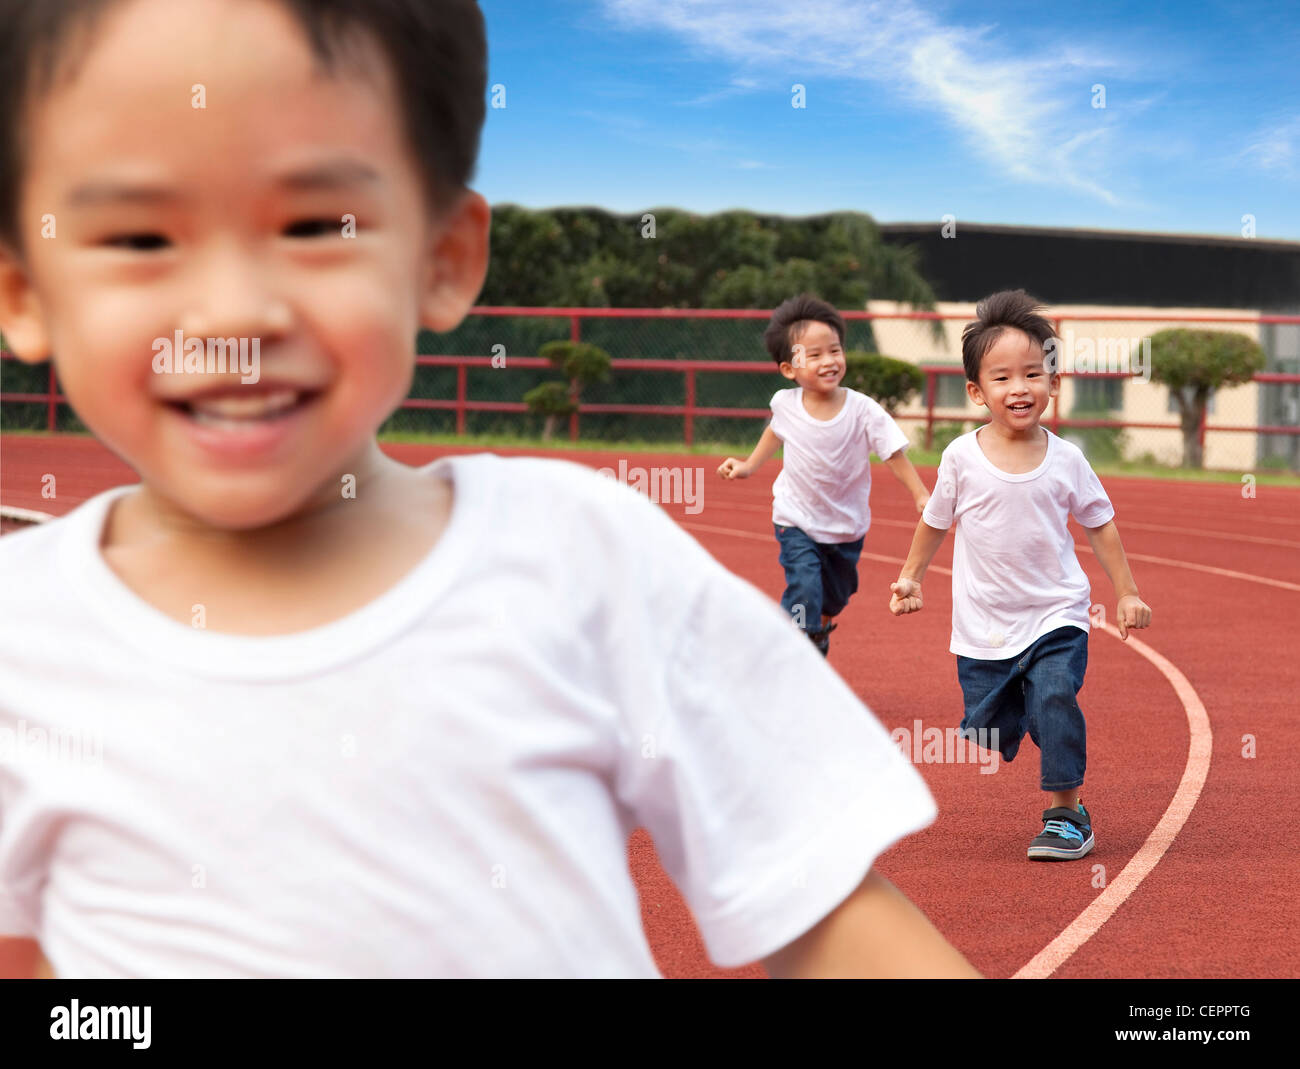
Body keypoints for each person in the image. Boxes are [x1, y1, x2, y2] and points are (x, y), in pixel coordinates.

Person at [0, 0, 977, 978]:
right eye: (136, 237)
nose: (231, 315)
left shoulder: (585, 560)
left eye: (311, 223)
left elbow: (826, 918)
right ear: (23, 291)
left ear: (444, 258)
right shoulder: (20, 642)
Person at [889, 290, 1152, 861]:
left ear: (1053, 384)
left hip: (1056, 613)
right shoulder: (960, 456)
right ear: (977, 392)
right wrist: (911, 578)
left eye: (1034, 374)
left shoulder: (1067, 459)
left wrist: (1126, 593)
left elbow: (1100, 524)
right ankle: (1022, 723)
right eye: (1003, 378)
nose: (1020, 388)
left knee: (1055, 696)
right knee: (987, 732)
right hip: (983, 626)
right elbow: (935, 521)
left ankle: (1066, 813)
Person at [718, 294, 931, 656]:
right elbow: (775, 431)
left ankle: (813, 625)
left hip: (846, 527)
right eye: (814, 355)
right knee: (804, 586)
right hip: (795, 519)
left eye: (835, 351)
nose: (829, 361)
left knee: (836, 595)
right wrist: (748, 465)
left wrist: (920, 493)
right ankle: (798, 648)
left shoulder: (863, 410)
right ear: (789, 368)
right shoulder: (785, 403)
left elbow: (892, 452)